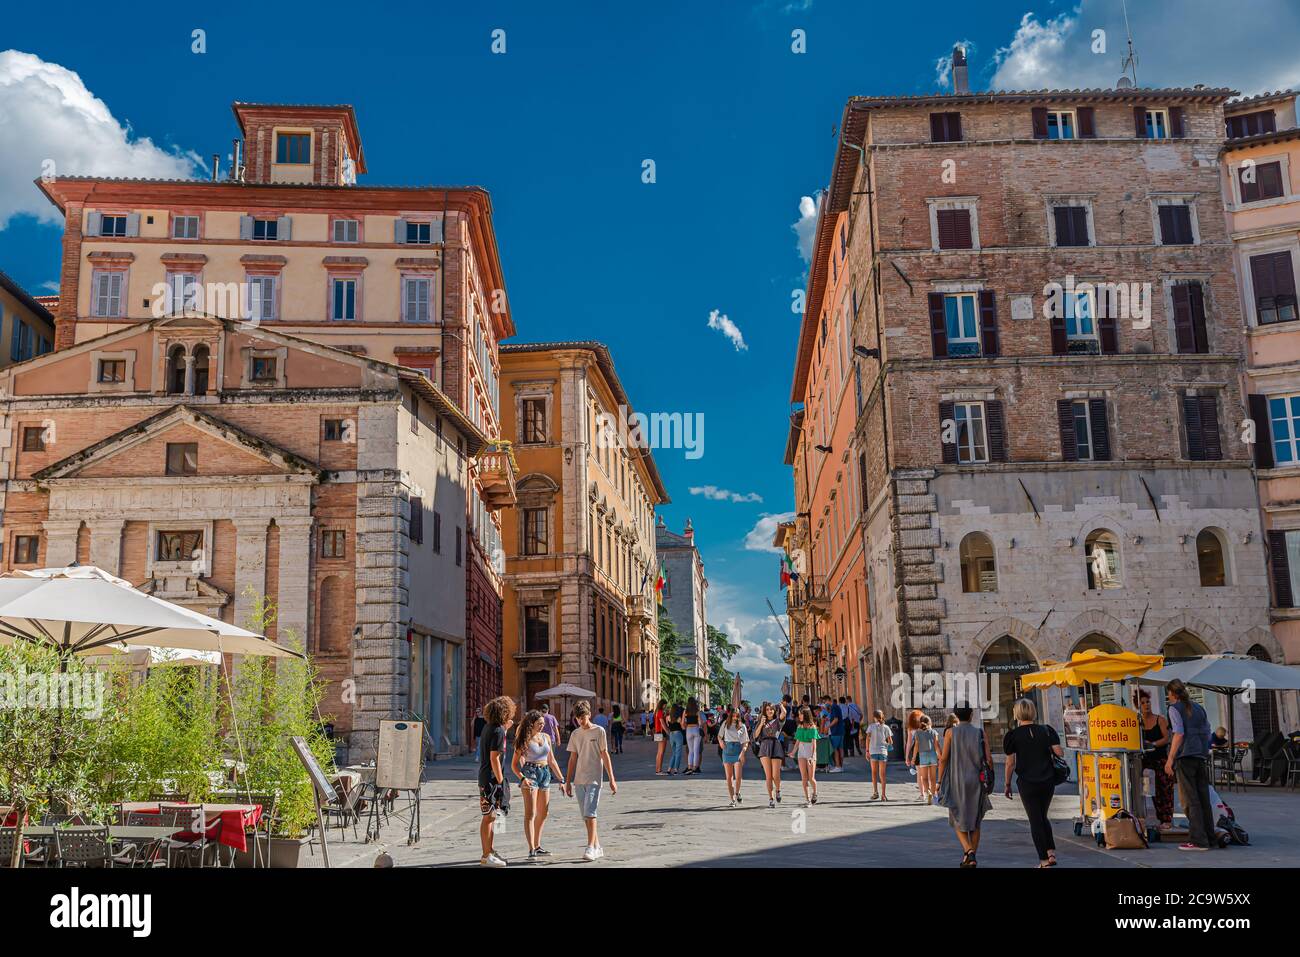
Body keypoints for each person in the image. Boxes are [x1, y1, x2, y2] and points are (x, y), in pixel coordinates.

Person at [1002, 698, 1064, 868]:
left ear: (1016, 714)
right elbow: (1060, 753)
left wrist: (1007, 784)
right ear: (1033, 711)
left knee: (1035, 820)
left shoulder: (1012, 736)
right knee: (1042, 816)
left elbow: (1010, 763)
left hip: (1027, 782)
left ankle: (1043, 860)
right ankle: (1050, 852)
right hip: (1047, 780)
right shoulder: (1046, 730)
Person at [937, 706, 992, 867]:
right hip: (977, 780)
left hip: (956, 780)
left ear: (957, 716)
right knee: (975, 820)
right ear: (971, 715)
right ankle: (969, 856)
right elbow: (988, 759)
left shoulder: (950, 733)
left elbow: (944, 759)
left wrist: (939, 781)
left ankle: (969, 852)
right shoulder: (980, 733)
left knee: (956, 817)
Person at [564, 700, 618, 862]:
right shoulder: (575, 734)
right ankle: (598, 846)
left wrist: (612, 779)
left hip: (594, 778)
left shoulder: (599, 731)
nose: (581, 720)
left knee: (590, 813)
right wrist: (567, 782)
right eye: (578, 718)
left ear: (589, 715)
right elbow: (572, 758)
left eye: (583, 717)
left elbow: (605, 755)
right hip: (579, 779)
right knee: (586, 816)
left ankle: (590, 847)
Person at [1165, 678, 1214, 851]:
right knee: (1203, 798)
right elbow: (1208, 732)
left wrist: (1170, 759)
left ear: (1172, 694)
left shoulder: (1174, 708)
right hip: (1200, 755)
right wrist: (1203, 748)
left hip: (1185, 756)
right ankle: (1209, 837)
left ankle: (1198, 841)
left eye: (1168, 694)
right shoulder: (1199, 708)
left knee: (1189, 800)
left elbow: (1178, 733)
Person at [511, 709, 566, 862]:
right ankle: (531, 849)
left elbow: (552, 760)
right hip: (530, 774)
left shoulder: (547, 737)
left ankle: (538, 845)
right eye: (539, 724)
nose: (542, 726)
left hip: (545, 774)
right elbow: (514, 765)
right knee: (531, 813)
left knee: (544, 813)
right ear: (531, 724)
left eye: (543, 723)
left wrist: (561, 780)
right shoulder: (524, 740)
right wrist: (522, 779)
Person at [477, 695, 517, 867]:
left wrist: (506, 730)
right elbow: (495, 758)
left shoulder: (490, 727)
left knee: (492, 816)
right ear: (505, 712)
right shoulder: (498, 731)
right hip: (491, 779)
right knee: (488, 817)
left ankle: (490, 851)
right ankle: (486, 855)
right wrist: (501, 782)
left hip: (485, 777)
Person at [1138, 689, 1174, 830]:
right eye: (1143, 703)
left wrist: (1152, 744)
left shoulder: (1160, 719)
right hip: (1145, 761)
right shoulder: (1137, 722)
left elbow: (1167, 738)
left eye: (1148, 702)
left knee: (1164, 790)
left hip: (1160, 759)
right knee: (1149, 791)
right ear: (1138, 705)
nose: (1146, 705)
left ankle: (1166, 819)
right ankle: (1150, 818)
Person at [754, 701, 787, 808]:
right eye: (767, 709)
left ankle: (778, 790)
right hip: (764, 746)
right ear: (765, 710)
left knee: (776, 775)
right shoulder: (761, 720)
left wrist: (781, 705)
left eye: (771, 709)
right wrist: (761, 723)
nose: (769, 711)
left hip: (775, 745)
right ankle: (771, 799)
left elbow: (784, 713)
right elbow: (755, 735)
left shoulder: (778, 721)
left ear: (774, 710)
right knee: (768, 776)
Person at [719, 708, 750, 806]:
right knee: (729, 778)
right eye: (733, 715)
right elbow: (719, 736)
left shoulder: (742, 727)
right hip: (727, 750)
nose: (735, 718)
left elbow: (746, 742)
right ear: (730, 715)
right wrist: (721, 742)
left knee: (738, 776)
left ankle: (737, 792)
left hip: (737, 750)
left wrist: (742, 753)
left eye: (737, 716)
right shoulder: (725, 724)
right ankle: (732, 799)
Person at [908, 714, 940, 804]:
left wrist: (913, 758)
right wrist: (940, 757)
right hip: (932, 755)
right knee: (933, 778)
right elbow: (936, 746)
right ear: (930, 723)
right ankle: (934, 796)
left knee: (924, 778)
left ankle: (928, 792)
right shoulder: (934, 732)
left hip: (922, 756)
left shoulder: (917, 733)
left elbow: (916, 747)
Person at [794, 706, 821, 807]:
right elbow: (797, 741)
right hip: (801, 752)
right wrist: (793, 752)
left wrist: (812, 756)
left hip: (810, 752)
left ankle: (815, 793)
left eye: (800, 714)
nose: (799, 716)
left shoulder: (812, 727)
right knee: (804, 778)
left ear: (805, 715)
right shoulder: (799, 727)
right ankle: (808, 800)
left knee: (811, 778)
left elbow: (814, 743)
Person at [865, 710, 893, 800]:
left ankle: (875, 792)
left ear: (874, 717)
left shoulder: (871, 727)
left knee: (874, 773)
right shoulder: (886, 727)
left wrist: (867, 751)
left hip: (873, 752)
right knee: (883, 774)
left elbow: (867, 739)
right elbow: (891, 742)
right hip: (883, 752)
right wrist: (885, 743)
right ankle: (883, 795)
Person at [825, 695, 845, 772]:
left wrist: (828, 727)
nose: (825, 704)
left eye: (825, 702)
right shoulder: (837, 707)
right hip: (840, 731)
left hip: (836, 731)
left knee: (835, 748)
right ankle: (841, 766)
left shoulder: (833, 707)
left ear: (828, 700)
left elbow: (836, 719)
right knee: (840, 748)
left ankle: (837, 766)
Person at [684, 697, 703, 774]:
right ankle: (695, 768)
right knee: (696, 750)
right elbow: (700, 722)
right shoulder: (697, 711)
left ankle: (689, 767)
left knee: (690, 751)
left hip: (688, 729)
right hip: (696, 729)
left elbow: (683, 722)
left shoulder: (685, 711)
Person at [667, 703, 686, 774]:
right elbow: (682, 727)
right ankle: (676, 769)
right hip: (678, 734)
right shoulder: (678, 718)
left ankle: (669, 769)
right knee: (678, 753)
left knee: (674, 753)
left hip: (671, 735)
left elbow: (668, 726)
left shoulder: (668, 717)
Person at [653, 699, 668, 774]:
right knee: (661, 752)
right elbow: (662, 723)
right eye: (665, 705)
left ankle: (658, 769)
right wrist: (668, 731)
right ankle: (659, 770)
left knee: (659, 752)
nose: (666, 706)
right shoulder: (660, 712)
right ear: (663, 704)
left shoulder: (656, 712)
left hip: (657, 732)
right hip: (661, 733)